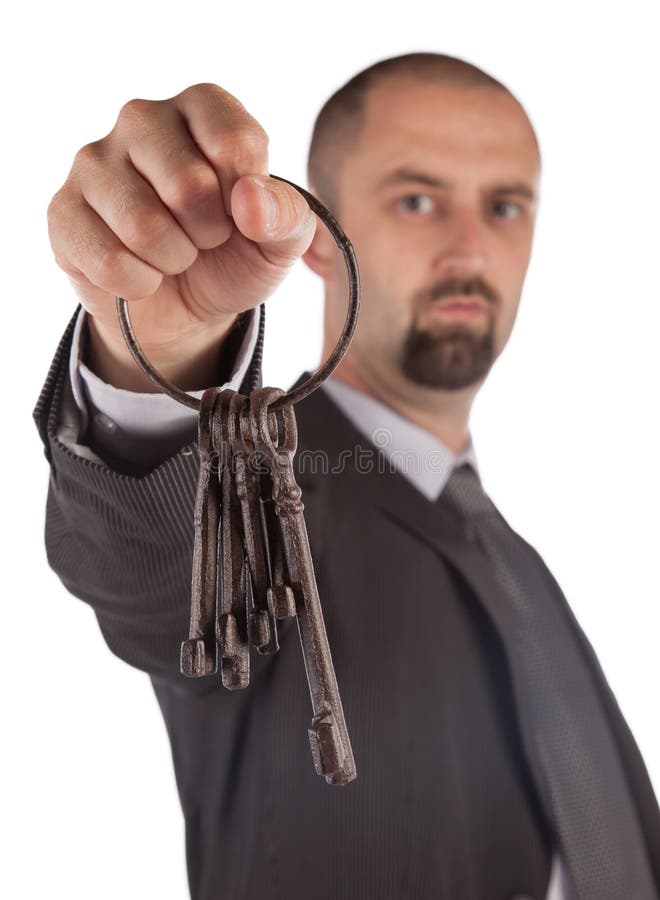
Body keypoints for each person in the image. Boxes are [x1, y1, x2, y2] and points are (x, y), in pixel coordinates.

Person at [36, 53, 660, 900]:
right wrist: (158, 362)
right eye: (417, 199)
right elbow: (153, 562)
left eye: (505, 206)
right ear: (321, 241)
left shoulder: (514, 557)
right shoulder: (258, 506)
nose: (469, 248)